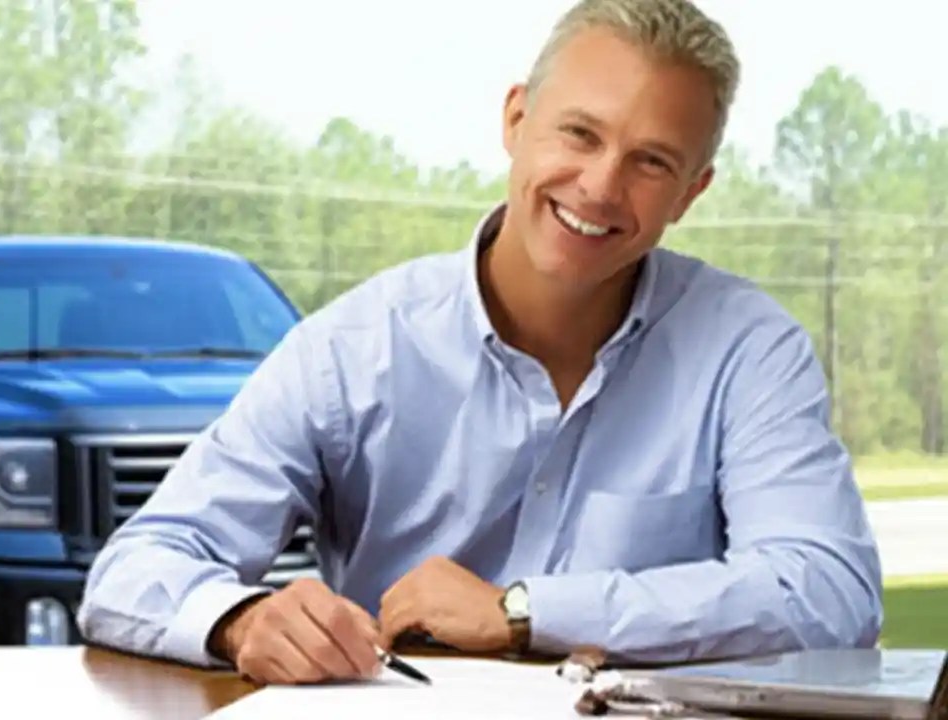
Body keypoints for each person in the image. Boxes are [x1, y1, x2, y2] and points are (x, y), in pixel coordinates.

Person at [77, 0, 883, 686]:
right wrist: (242, 621)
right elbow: (136, 568)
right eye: (579, 134)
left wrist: (523, 611)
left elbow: (829, 592)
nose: (600, 186)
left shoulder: (747, 349)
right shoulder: (352, 351)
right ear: (516, 120)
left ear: (691, 192)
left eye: (650, 161)